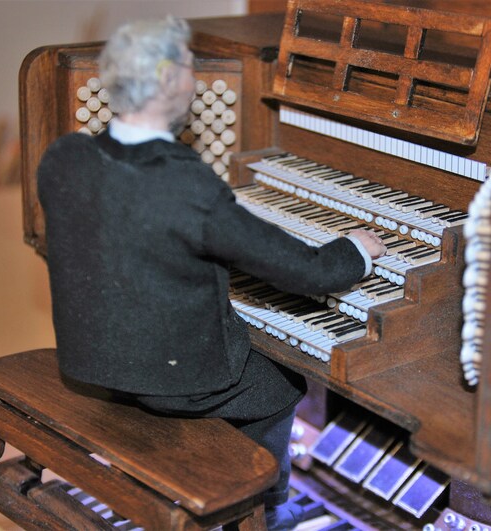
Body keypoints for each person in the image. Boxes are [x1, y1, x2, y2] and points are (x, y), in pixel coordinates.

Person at [37, 16, 386, 530]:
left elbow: (108, 234)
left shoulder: (63, 156)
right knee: (284, 382)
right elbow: (304, 271)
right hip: (176, 381)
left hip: (91, 358)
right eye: (187, 68)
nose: (194, 80)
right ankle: (260, 505)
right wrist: (354, 249)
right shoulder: (186, 186)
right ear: (167, 82)